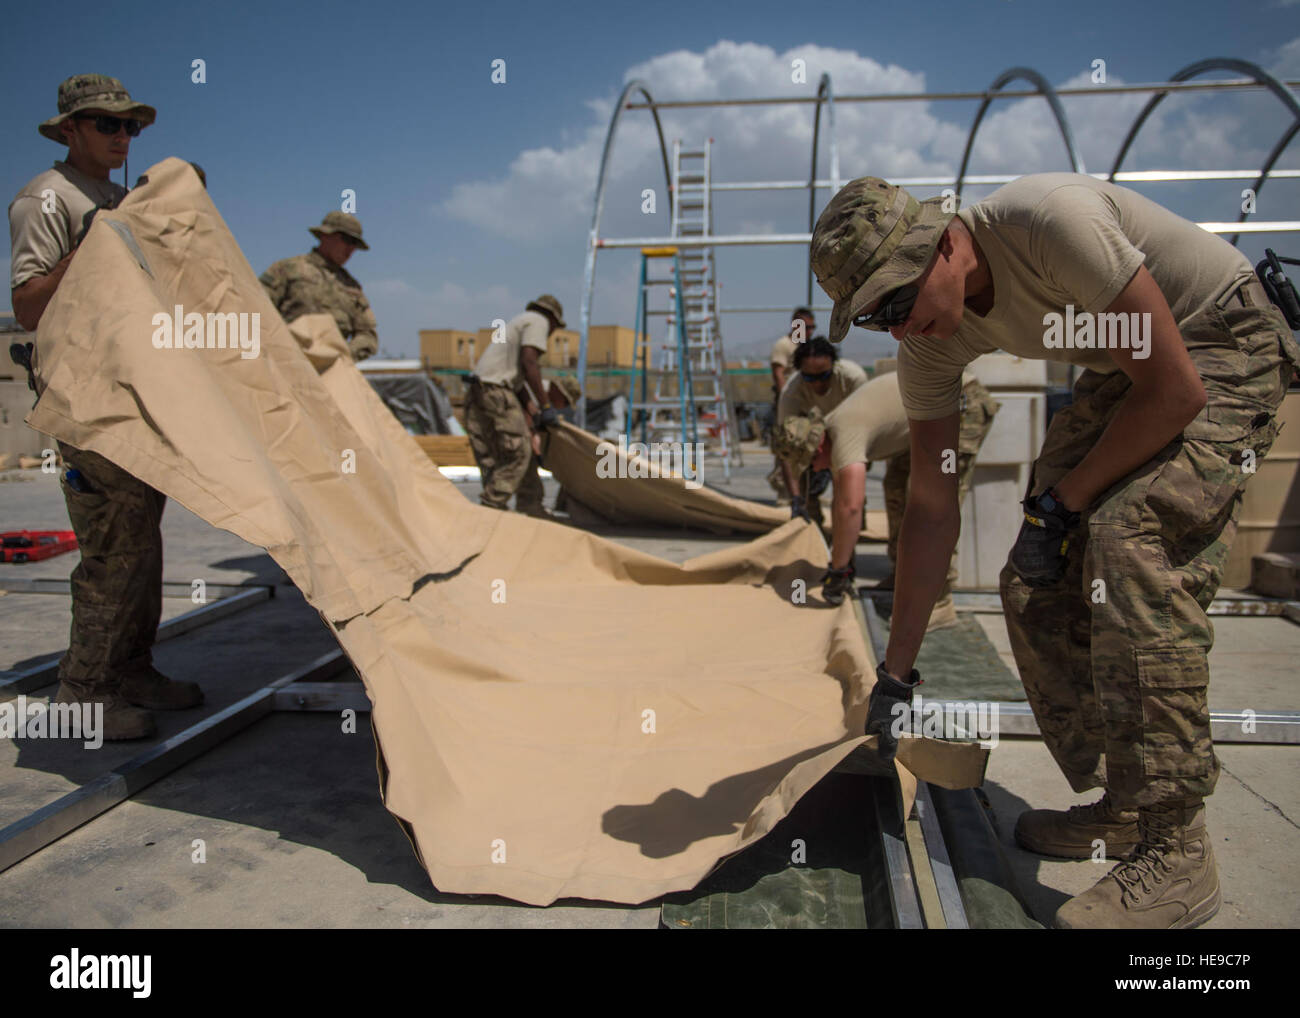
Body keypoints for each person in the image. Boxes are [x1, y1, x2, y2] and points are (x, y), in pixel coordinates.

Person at [811, 173, 1300, 929]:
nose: (899, 330)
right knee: (1032, 580)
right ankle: (1129, 808)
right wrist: (896, 674)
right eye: (875, 319)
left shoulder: (1048, 223)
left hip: (1219, 338)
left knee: (1125, 541)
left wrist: (1062, 502)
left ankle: (1178, 849)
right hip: (1124, 369)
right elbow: (933, 509)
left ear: (944, 244)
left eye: (900, 303)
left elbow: (1175, 391)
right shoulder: (929, 350)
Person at [9, 74, 204, 741]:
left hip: (133, 395)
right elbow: (29, 305)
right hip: (84, 400)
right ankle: (83, 694)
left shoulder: (118, 198)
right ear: (70, 129)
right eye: (107, 125)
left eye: (131, 128)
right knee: (111, 551)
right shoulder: (47, 198)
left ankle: (131, 670)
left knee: (142, 544)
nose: (123, 137)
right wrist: (91, 244)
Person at [777, 369, 997, 624]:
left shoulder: (844, 435)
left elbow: (851, 507)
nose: (814, 470)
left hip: (958, 405)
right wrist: (842, 562)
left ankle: (938, 601)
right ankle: (903, 574)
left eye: (809, 463)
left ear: (817, 447)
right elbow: (841, 504)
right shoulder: (833, 432)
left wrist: (837, 571)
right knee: (895, 487)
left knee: (930, 506)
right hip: (923, 416)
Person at [465, 295, 567, 516]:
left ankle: (529, 505)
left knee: (492, 455)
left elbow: (517, 380)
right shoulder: (538, 321)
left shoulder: (518, 322)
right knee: (519, 452)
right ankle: (492, 505)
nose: (551, 333)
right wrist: (546, 405)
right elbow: (529, 362)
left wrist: (532, 408)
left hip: (478, 391)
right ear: (551, 317)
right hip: (496, 392)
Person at [772, 335, 867, 525]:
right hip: (815, 442)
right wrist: (796, 499)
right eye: (810, 378)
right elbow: (786, 452)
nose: (818, 384)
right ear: (800, 373)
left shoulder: (853, 379)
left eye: (824, 376)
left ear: (834, 366)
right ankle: (815, 539)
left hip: (850, 437)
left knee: (848, 503)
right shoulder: (792, 393)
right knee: (807, 500)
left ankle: (851, 528)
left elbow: (867, 428)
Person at [261, 211, 379, 361]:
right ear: (325, 235)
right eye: (346, 240)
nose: (350, 249)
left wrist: (342, 356)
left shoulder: (353, 288)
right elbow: (256, 309)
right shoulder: (287, 270)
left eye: (354, 244)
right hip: (286, 364)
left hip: (332, 372)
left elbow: (367, 334)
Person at [767, 306, 816, 500]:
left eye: (812, 327)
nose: (810, 331)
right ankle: (785, 493)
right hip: (788, 406)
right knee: (786, 451)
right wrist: (786, 400)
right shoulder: (784, 345)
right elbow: (779, 374)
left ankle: (801, 495)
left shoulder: (809, 348)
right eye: (806, 326)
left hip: (807, 406)